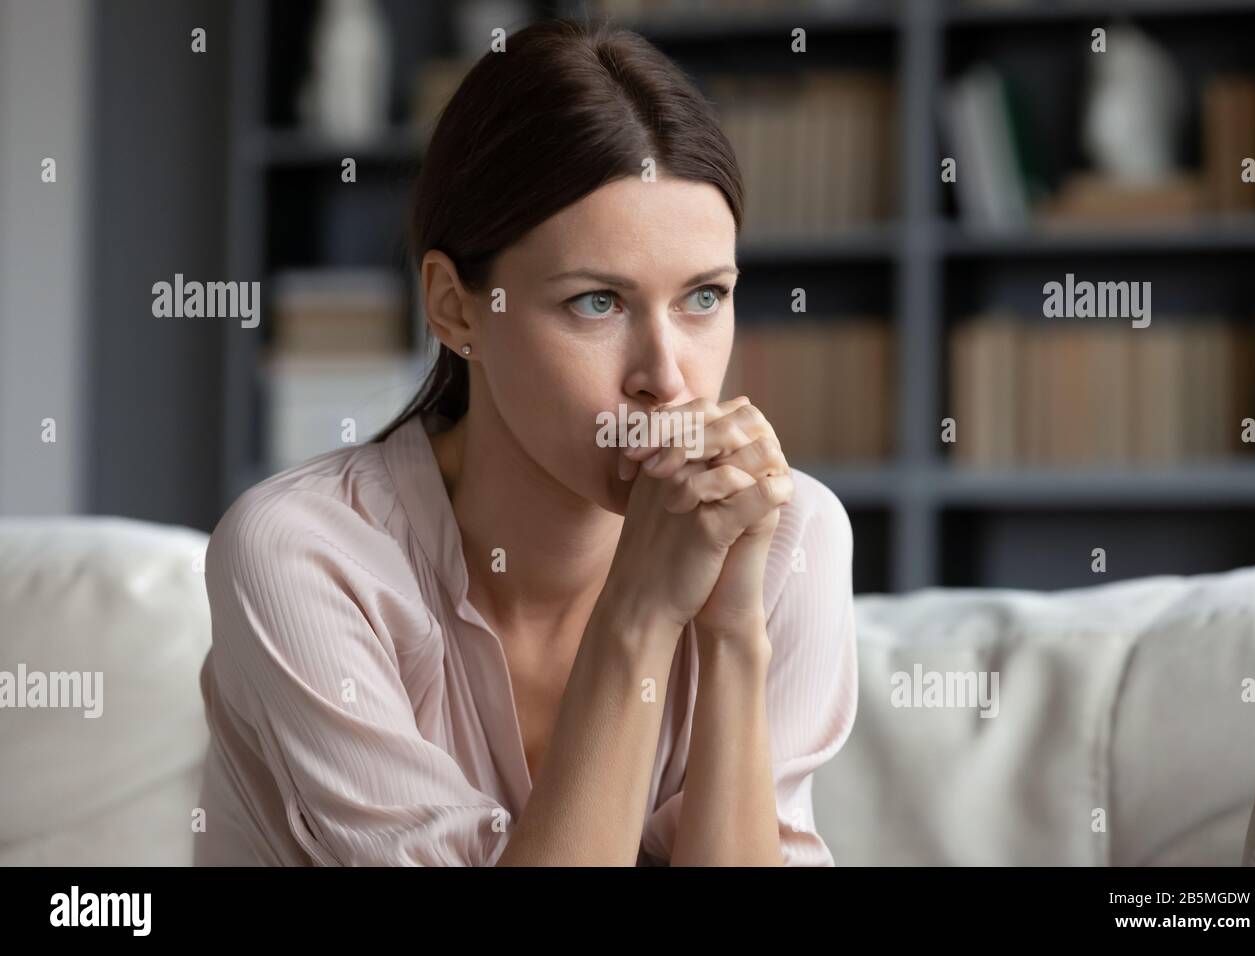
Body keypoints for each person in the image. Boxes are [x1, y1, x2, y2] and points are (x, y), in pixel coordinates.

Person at [194, 15, 858, 867]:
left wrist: (730, 635)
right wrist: (641, 612)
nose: (668, 377)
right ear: (455, 304)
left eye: (702, 298)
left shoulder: (791, 537)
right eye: (596, 303)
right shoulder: (303, 561)